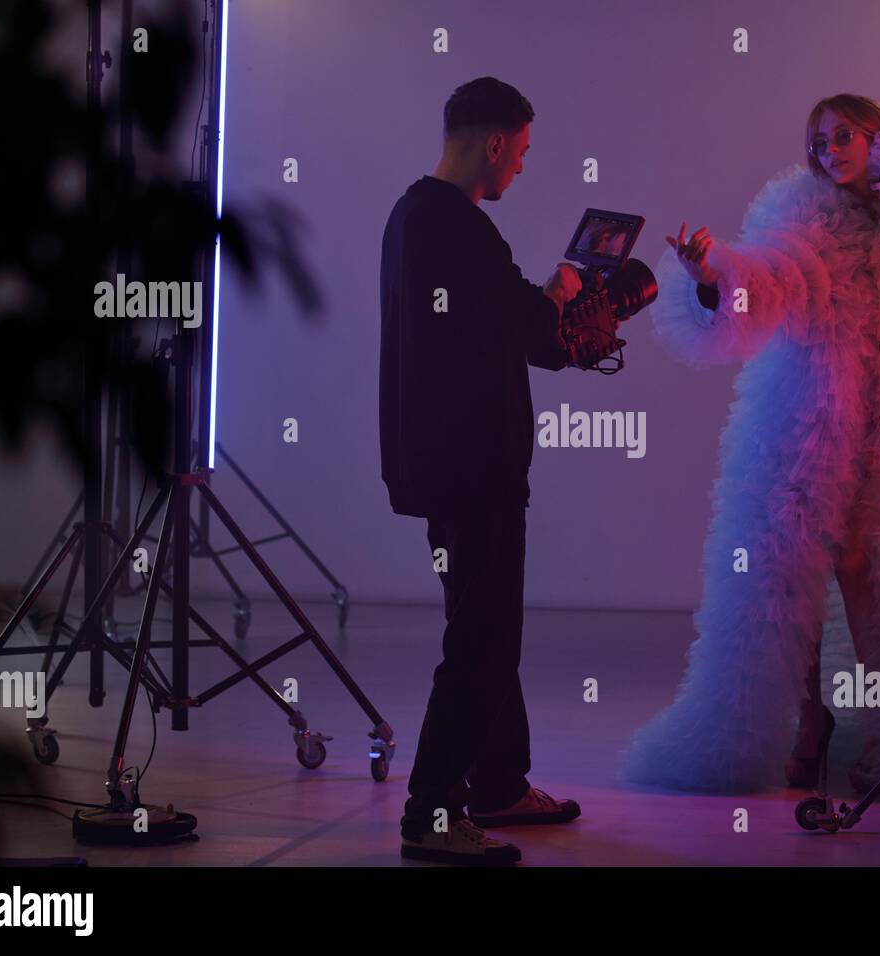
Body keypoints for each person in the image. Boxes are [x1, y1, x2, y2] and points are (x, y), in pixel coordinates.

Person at [623, 92, 880, 801]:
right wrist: (715, 278)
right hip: (804, 438)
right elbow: (772, 276)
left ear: (876, 139)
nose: (828, 151)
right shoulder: (801, 215)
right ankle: (803, 725)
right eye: (819, 141)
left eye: (842, 136)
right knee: (776, 585)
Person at [379, 76, 583, 865]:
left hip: (438, 463)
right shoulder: (460, 228)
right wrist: (561, 292)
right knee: (485, 642)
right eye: (523, 151)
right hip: (477, 467)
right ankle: (431, 814)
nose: (523, 168)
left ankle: (498, 783)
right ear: (496, 142)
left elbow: (476, 329)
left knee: (480, 625)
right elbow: (536, 335)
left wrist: (534, 304)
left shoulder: (410, 216)